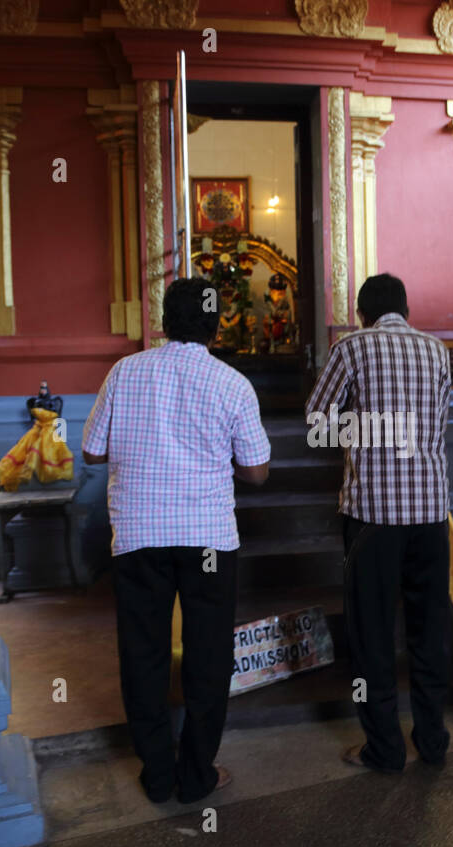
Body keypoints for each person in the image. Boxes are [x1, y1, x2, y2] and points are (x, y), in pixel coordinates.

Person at [82, 277, 270, 804]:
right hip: (207, 540)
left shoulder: (124, 372)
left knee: (143, 653)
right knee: (209, 654)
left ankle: (157, 774)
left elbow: (92, 453)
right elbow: (255, 473)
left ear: (164, 322)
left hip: (139, 536)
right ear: (217, 325)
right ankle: (197, 773)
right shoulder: (232, 383)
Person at [306, 273, 452, 773]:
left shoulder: (352, 347)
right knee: (429, 632)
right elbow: (439, 426)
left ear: (363, 314)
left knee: (372, 636)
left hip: (373, 517)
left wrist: (363, 428)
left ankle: (384, 750)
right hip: (432, 515)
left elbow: (317, 423)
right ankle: (432, 742)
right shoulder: (437, 351)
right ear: (406, 310)